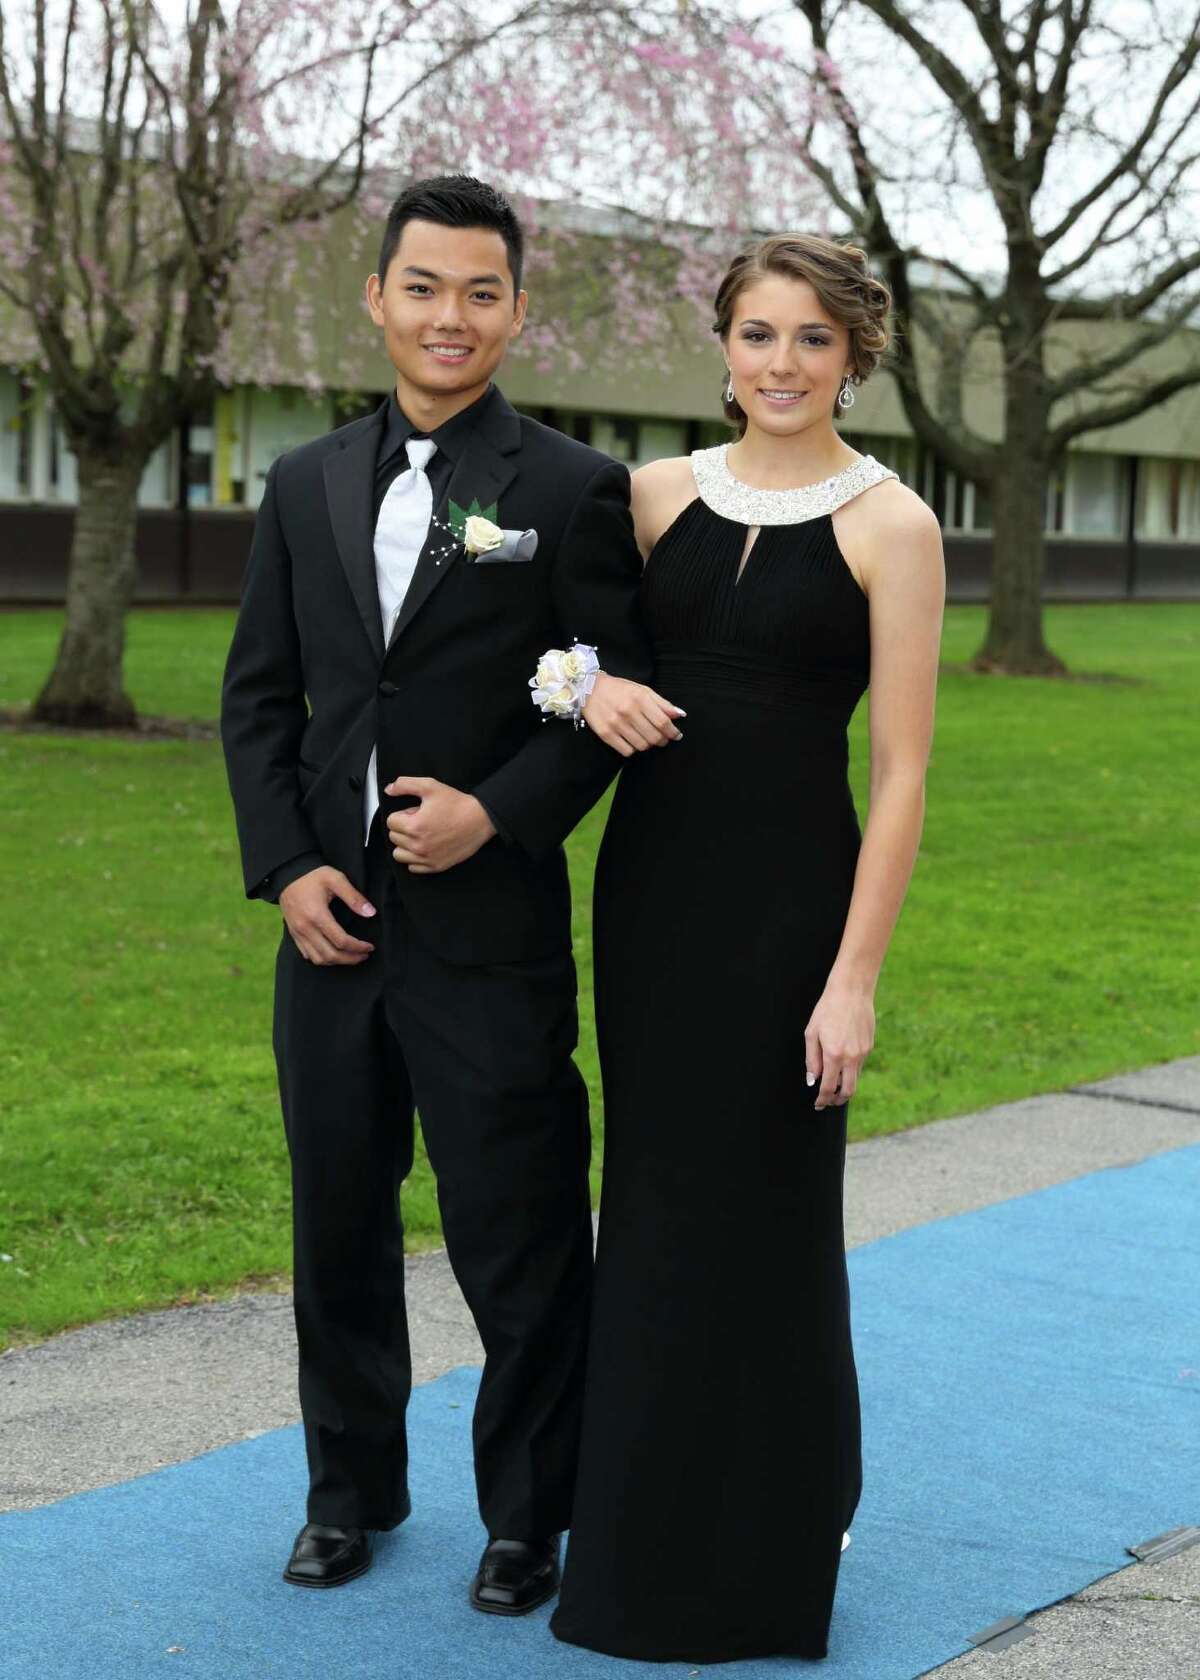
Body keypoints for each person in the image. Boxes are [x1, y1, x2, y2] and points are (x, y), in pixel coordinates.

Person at [219, 175, 653, 1612]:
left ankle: (528, 1515)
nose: (449, 316)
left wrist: (500, 812)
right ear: (378, 298)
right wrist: (285, 868)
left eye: (480, 291)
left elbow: (603, 704)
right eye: (424, 287)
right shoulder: (301, 486)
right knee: (336, 1225)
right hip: (328, 936)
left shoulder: (572, 492)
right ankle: (349, 1492)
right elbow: (261, 704)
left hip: (489, 938)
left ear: (518, 312)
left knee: (517, 1229)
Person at [549, 234, 945, 1662]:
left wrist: (854, 978)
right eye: (759, 334)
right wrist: (590, 688)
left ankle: (781, 1534)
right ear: (721, 345)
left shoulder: (893, 526)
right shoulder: (648, 499)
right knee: (649, 1204)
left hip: (793, 910)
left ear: (856, 357)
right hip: (652, 897)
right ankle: (636, 1544)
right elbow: (560, 645)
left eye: (813, 341)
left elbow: (901, 770)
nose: (782, 364)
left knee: (771, 1217)